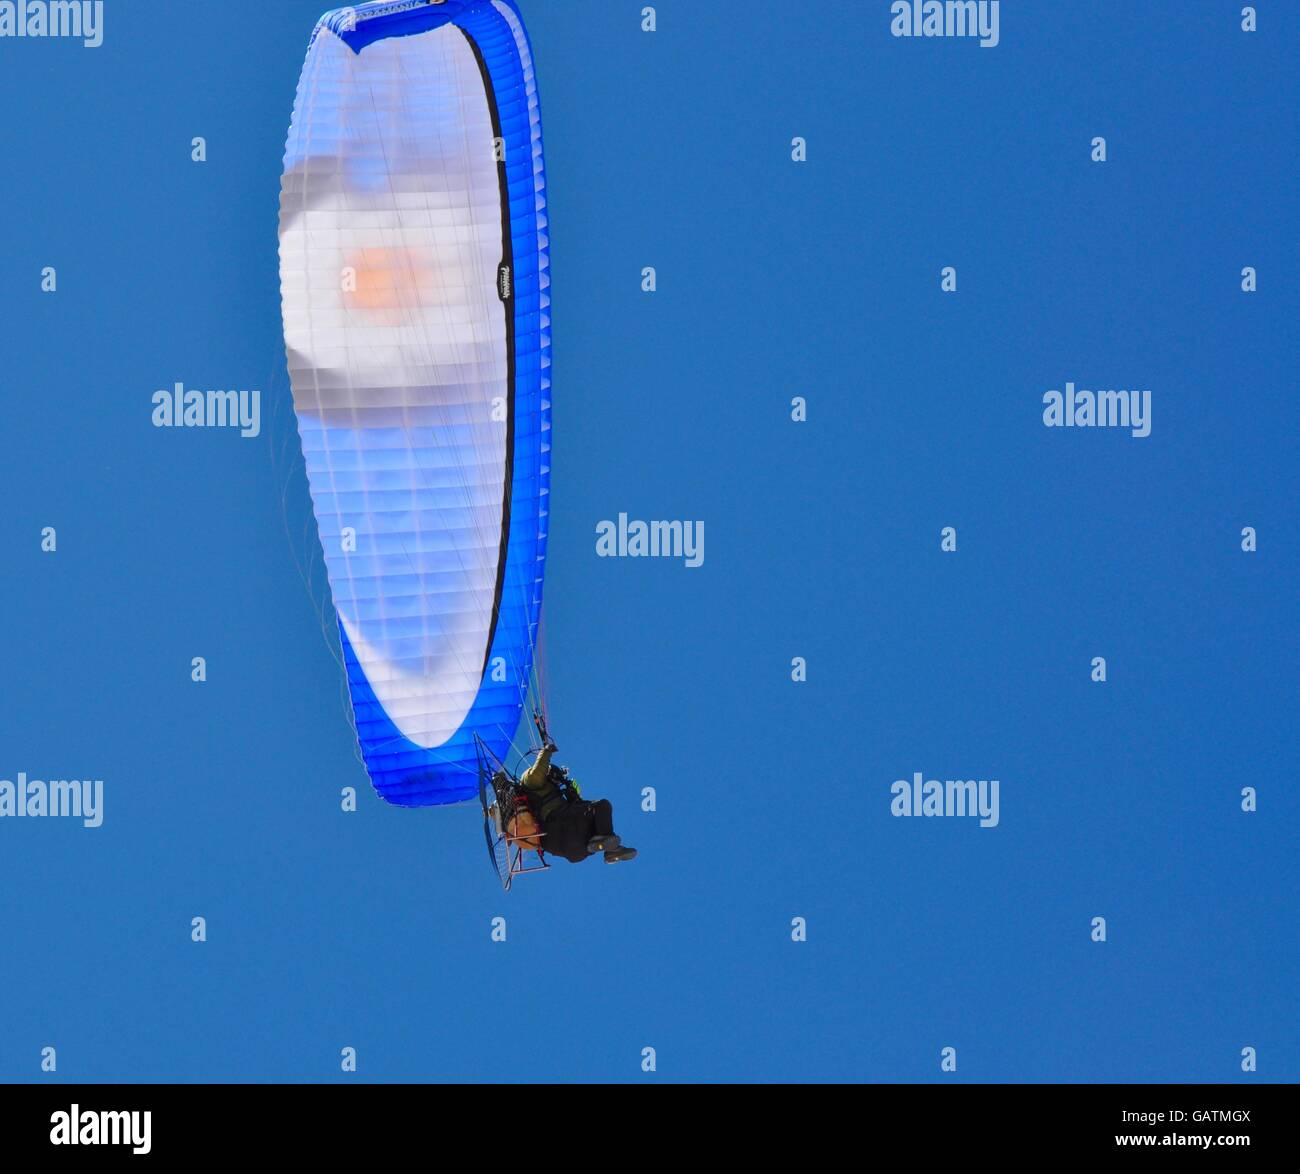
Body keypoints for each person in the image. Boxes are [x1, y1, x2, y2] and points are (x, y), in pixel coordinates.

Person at [512, 742, 637, 864]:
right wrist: (546, 752)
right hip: (556, 825)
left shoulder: (555, 795)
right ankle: (610, 848)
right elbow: (537, 775)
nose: (557, 784)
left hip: (571, 847)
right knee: (601, 806)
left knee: (598, 813)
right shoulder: (529, 781)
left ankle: (609, 849)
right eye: (556, 780)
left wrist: (575, 798)